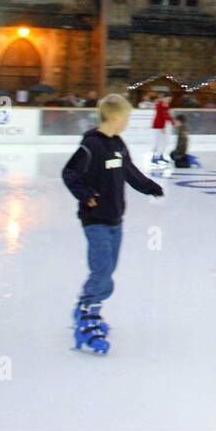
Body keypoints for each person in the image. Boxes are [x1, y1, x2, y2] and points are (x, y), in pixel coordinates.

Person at [61, 93, 164, 353]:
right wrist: (85, 195)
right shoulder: (91, 146)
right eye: (127, 117)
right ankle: (87, 318)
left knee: (108, 270)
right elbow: (70, 173)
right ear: (115, 117)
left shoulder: (118, 144)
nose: (128, 122)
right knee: (102, 271)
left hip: (115, 218)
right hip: (94, 220)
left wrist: (149, 186)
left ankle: (85, 307)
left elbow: (129, 171)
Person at [150, 96, 174, 164]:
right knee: (158, 142)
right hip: (158, 127)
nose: (169, 100)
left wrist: (172, 121)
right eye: (167, 98)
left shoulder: (166, 106)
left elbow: (167, 115)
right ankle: (154, 157)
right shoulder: (160, 105)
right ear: (163, 98)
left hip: (162, 127)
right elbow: (161, 116)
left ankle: (160, 155)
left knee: (165, 142)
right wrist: (162, 127)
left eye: (170, 99)